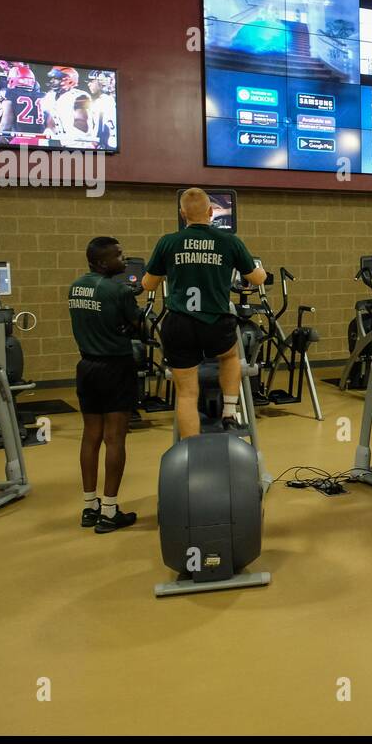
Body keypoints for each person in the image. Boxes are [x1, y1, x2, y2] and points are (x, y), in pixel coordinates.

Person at [142, 187, 266, 439]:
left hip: (180, 323)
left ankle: (191, 453)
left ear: (182, 213)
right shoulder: (230, 241)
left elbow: (148, 285)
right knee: (230, 356)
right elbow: (255, 277)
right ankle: (229, 413)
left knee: (187, 393)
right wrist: (261, 273)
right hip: (215, 322)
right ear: (211, 212)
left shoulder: (168, 241)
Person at [68, 236, 141, 533]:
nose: (123, 261)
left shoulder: (75, 287)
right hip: (115, 367)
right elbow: (139, 324)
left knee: (91, 436)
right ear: (101, 262)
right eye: (118, 256)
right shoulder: (118, 290)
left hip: (86, 367)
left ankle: (90, 506)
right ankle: (110, 510)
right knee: (115, 438)